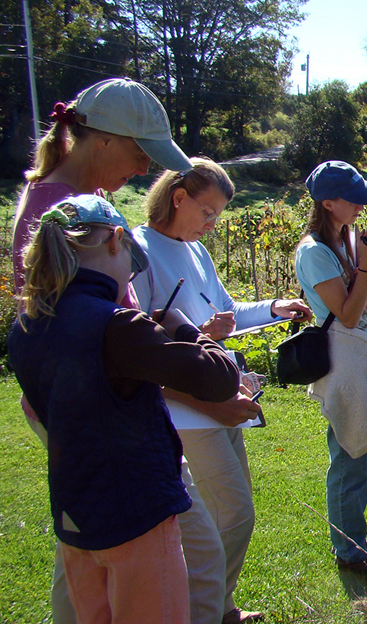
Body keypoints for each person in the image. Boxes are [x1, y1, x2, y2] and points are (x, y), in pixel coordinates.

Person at [10, 78, 236, 624]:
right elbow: (97, 346)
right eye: (140, 153)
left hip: (103, 407)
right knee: (173, 552)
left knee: (89, 555)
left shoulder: (72, 204)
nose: (143, 170)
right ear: (104, 140)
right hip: (114, 420)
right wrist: (187, 361)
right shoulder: (64, 211)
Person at [132, 157, 311, 623]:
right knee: (233, 515)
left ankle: (219, 605)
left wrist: (274, 307)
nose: (213, 224)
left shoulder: (195, 250)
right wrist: (202, 337)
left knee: (227, 515)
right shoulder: (138, 249)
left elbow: (227, 312)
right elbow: (140, 339)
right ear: (178, 197)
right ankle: (200, 610)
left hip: (222, 398)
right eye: (208, 212)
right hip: (185, 409)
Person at [294, 160, 367, 578]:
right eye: (353, 201)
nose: (360, 208)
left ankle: (354, 536)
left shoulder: (345, 240)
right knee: (350, 455)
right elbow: (348, 317)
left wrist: (366, 258)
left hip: (364, 357)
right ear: (328, 202)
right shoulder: (314, 252)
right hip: (343, 360)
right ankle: (349, 551)